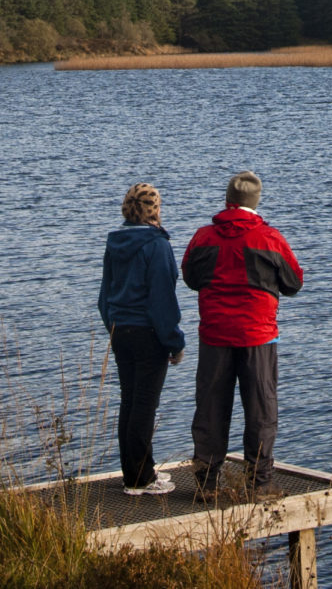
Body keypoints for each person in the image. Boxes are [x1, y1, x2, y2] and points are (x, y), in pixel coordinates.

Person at [182, 169, 304, 499]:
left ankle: (206, 483)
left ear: (227, 200)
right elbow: (294, 282)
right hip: (258, 336)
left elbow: (191, 277)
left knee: (210, 407)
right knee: (261, 408)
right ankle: (260, 483)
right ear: (255, 201)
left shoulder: (204, 237)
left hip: (215, 335)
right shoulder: (270, 238)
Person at [97, 181, 186, 495]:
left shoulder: (114, 242)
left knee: (130, 402)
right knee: (145, 406)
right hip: (149, 334)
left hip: (121, 331)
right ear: (155, 210)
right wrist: (174, 342)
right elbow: (162, 300)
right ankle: (140, 479)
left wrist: (114, 326)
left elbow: (104, 296)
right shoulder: (157, 245)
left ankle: (135, 472)